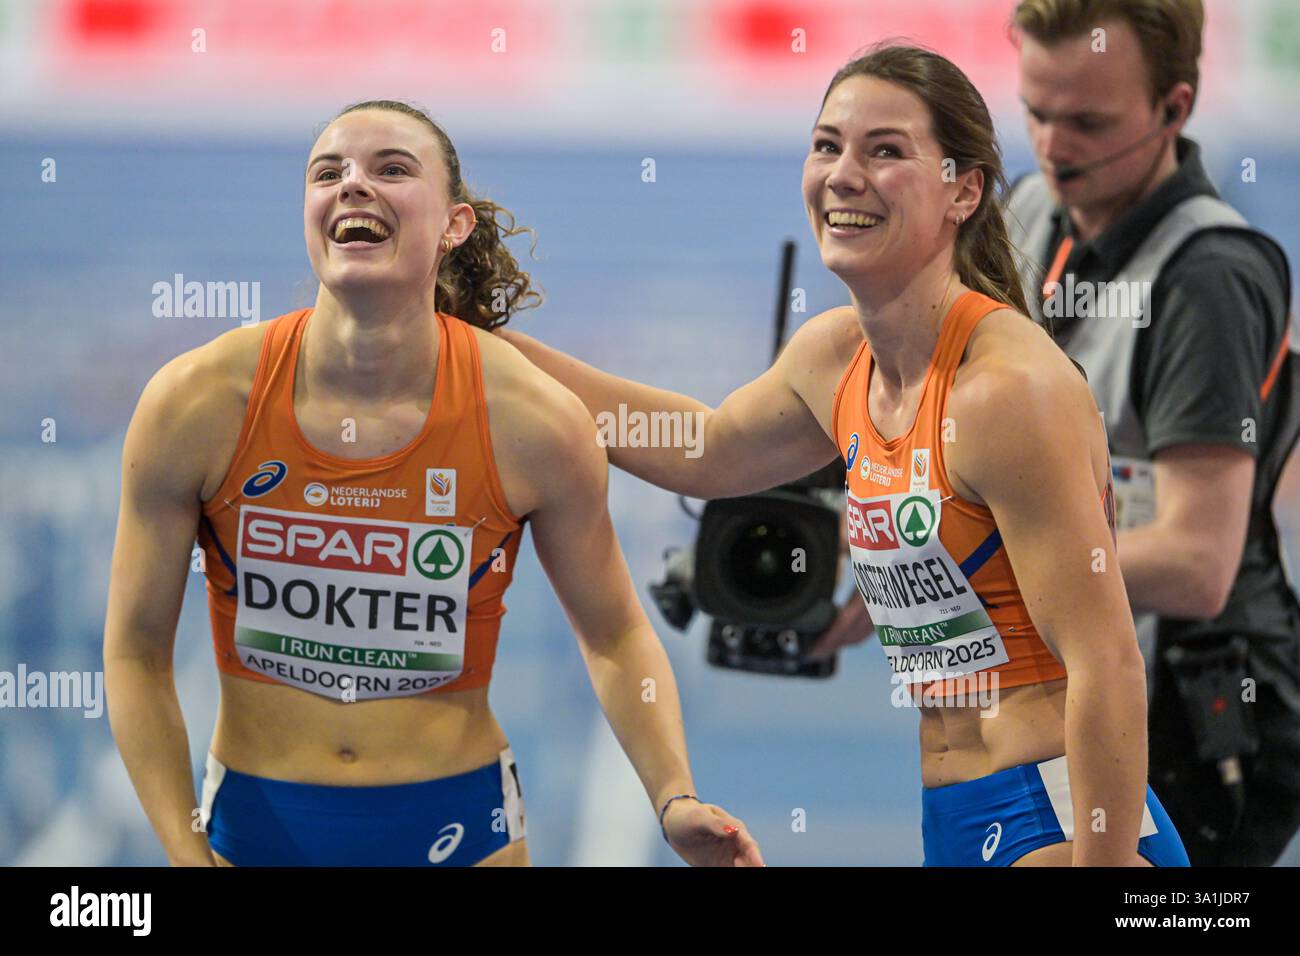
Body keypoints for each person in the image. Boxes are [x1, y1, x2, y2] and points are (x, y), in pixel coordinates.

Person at [500, 44, 1187, 866]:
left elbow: (1107, 660)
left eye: (885, 151)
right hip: (959, 811)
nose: (843, 174)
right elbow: (702, 449)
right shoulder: (836, 359)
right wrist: (494, 354)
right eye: (827, 146)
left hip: (1062, 818)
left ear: (962, 191)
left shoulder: (1007, 392)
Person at [102, 99, 763, 868]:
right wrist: (186, 856)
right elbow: (134, 655)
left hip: (459, 831)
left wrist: (672, 796)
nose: (353, 185)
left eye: (390, 169)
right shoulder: (195, 404)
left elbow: (614, 633)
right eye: (329, 173)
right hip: (257, 828)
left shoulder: (531, 418)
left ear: (454, 225)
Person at [999, 0, 1300, 866]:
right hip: (1073, 694)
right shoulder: (1028, 213)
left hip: (1197, 730)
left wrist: (975, 564)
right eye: (1037, 112)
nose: (1054, 147)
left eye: (1089, 122)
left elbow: (1198, 567)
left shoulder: (1206, 279)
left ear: (1175, 106)